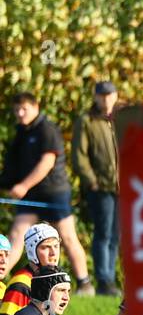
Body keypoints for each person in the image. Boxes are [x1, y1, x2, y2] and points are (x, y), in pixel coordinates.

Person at [1, 93, 92, 291]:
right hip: (32, 196)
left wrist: (23, 186)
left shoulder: (47, 129)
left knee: (67, 237)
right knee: (16, 235)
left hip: (54, 193)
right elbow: (12, 168)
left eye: (24, 108)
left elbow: (47, 162)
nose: (20, 113)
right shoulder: (22, 132)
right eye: (17, 109)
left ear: (36, 106)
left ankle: (85, 284)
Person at [71, 81, 120, 296]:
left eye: (109, 95)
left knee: (116, 234)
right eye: (102, 95)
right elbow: (79, 155)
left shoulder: (121, 119)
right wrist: (92, 181)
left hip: (122, 187)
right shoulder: (87, 121)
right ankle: (104, 280)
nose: (106, 99)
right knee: (103, 233)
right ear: (96, 97)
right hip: (100, 187)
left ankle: (109, 279)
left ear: (115, 96)